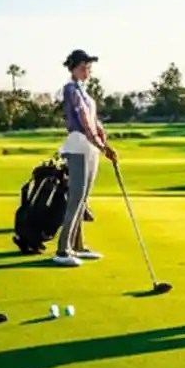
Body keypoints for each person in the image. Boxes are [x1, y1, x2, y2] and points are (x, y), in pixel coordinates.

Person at [52, 49, 117, 266]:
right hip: (78, 144)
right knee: (76, 197)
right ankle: (63, 249)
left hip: (91, 147)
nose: (87, 71)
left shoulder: (85, 92)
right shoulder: (71, 89)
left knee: (84, 198)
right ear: (73, 69)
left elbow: (94, 121)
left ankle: (78, 245)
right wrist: (100, 144)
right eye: (83, 67)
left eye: (88, 67)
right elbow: (84, 121)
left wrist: (104, 142)